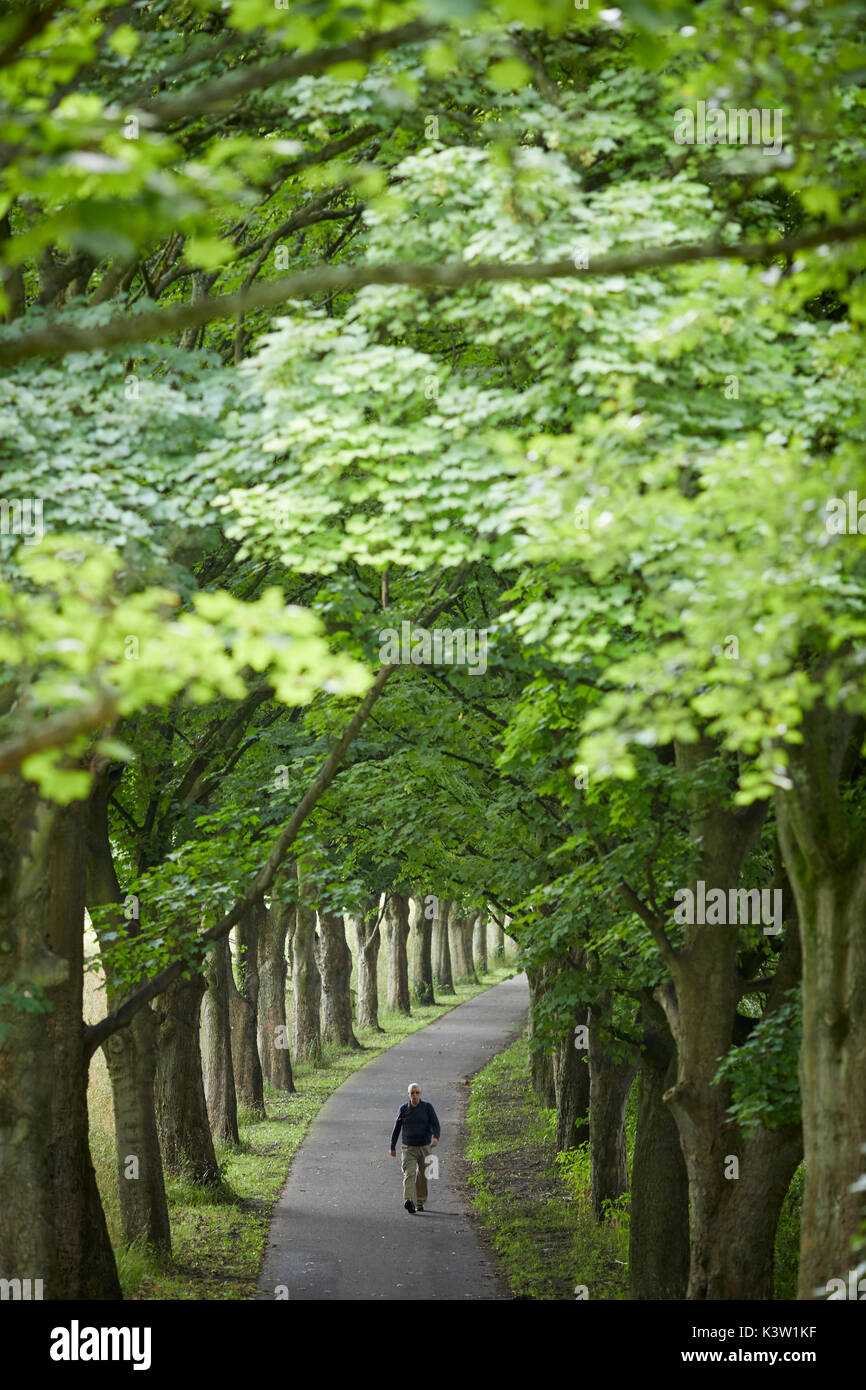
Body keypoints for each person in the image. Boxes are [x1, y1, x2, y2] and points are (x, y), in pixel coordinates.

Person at [389, 1082, 440, 1213]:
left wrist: (435, 1137)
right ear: (408, 1094)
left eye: (417, 1092)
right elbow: (396, 1128)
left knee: (423, 1175)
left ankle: (420, 1201)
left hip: (424, 1147)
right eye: (412, 1093)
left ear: (420, 1094)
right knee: (409, 1174)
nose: (415, 1095)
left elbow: (435, 1124)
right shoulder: (403, 1109)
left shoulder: (427, 1108)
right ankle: (409, 1201)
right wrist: (392, 1146)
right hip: (408, 1148)